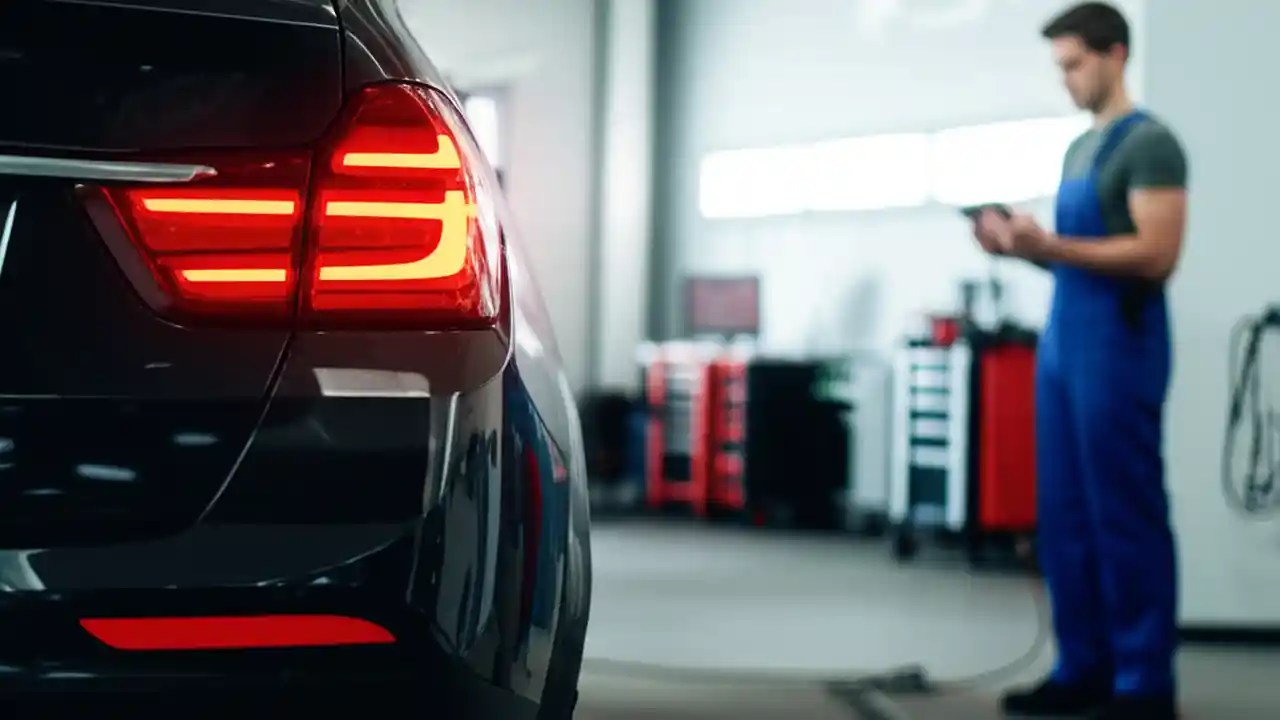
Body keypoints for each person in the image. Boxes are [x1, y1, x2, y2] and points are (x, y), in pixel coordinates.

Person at [973, 3, 1188, 719]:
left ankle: (1142, 682)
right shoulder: (1079, 151)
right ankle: (1084, 667)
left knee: (1122, 512)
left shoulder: (1152, 146)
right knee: (1064, 515)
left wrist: (1050, 247)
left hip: (1119, 348)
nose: (1065, 79)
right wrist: (1019, 249)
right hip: (1066, 344)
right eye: (1060, 65)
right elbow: (1078, 264)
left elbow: (1156, 255)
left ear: (1115, 54)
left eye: (1074, 64)